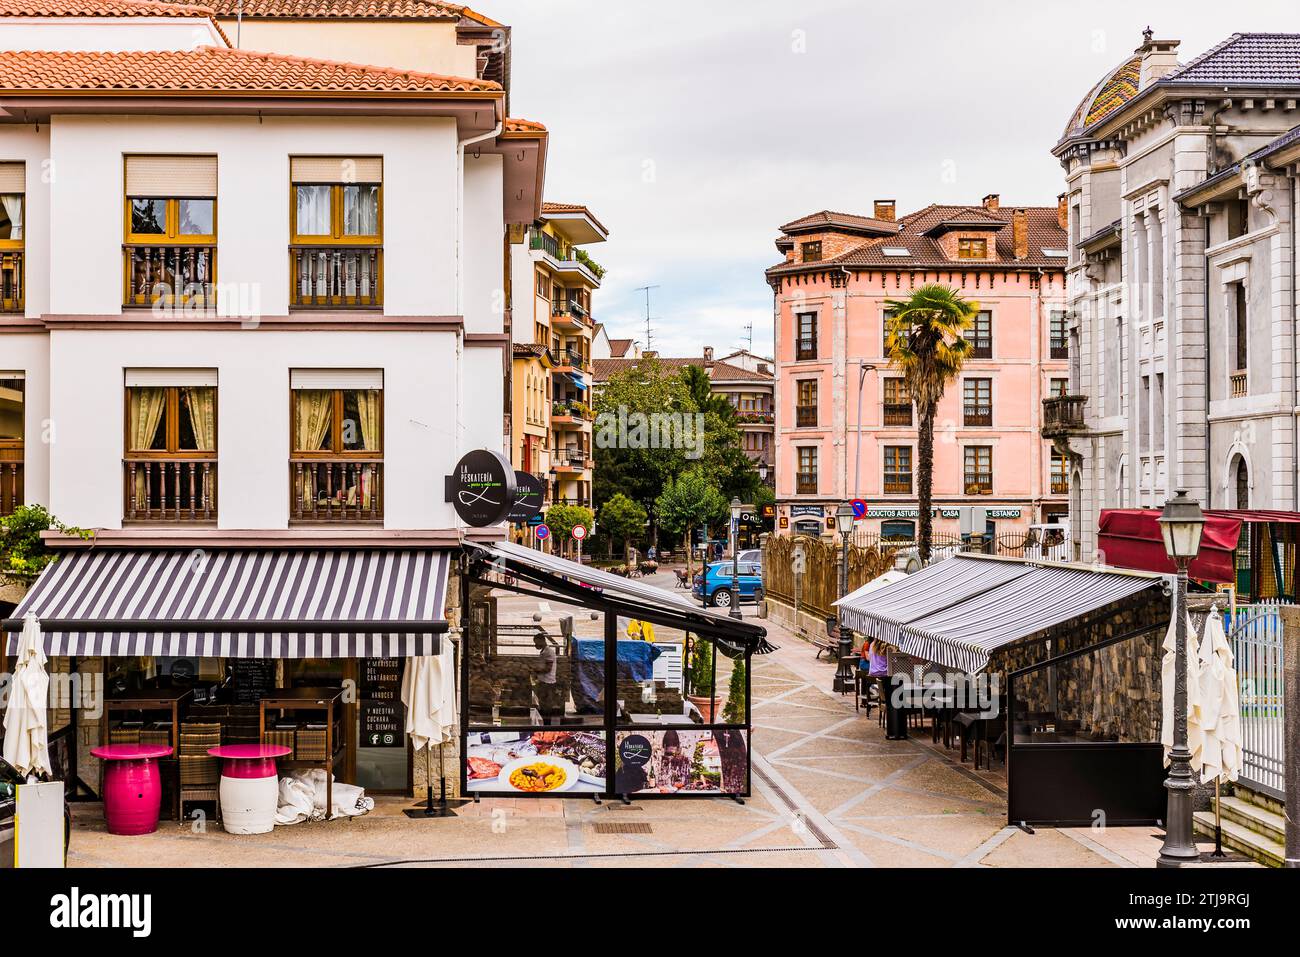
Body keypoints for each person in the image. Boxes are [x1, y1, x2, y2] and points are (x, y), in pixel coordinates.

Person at [531, 632, 563, 721]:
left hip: (547, 682)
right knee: (543, 704)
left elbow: (548, 669)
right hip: (543, 681)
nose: (535, 645)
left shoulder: (548, 652)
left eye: (536, 643)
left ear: (542, 640)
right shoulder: (544, 651)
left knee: (546, 706)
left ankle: (546, 724)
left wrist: (535, 670)